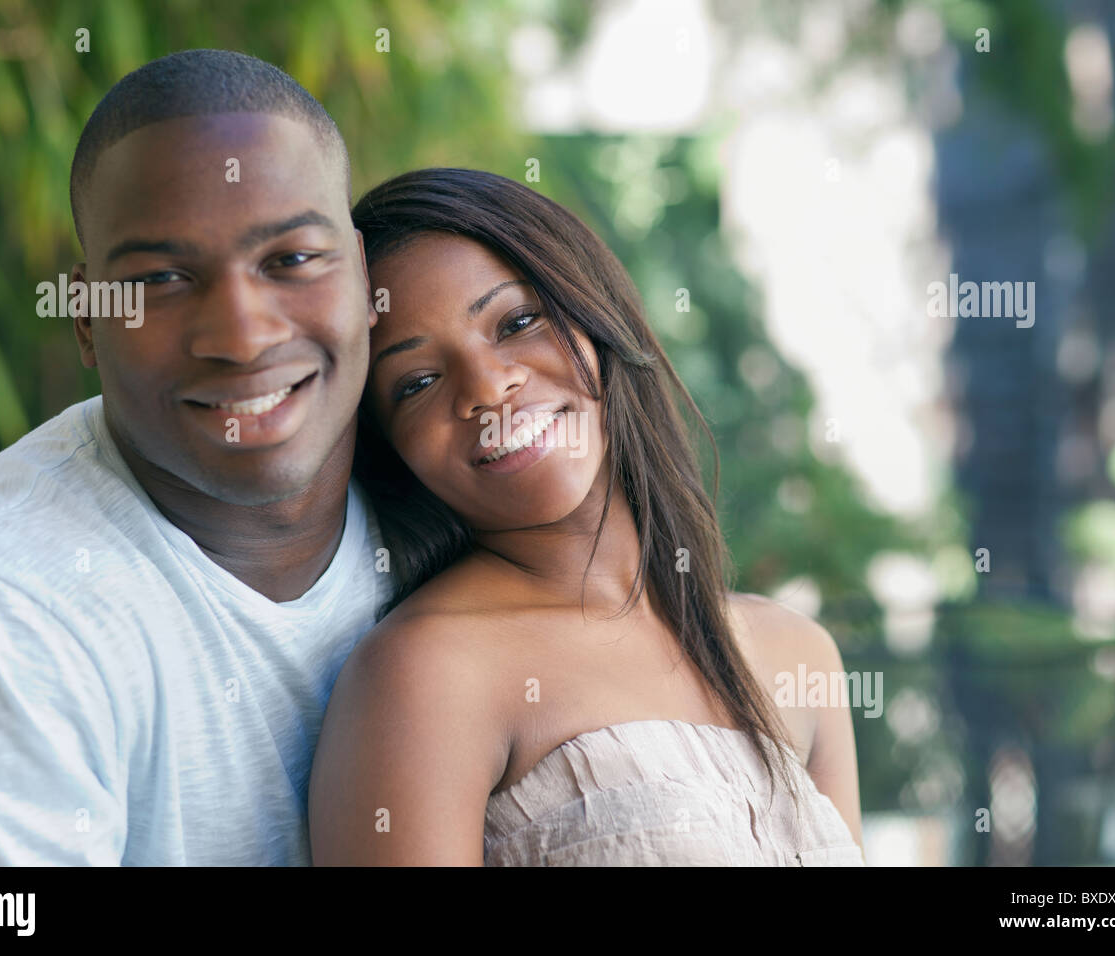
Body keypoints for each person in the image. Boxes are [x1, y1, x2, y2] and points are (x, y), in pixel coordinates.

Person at [0, 50, 391, 865]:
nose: (243, 337)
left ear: (364, 278)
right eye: (161, 279)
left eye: (291, 260)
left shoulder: (446, 471)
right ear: (86, 320)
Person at [309, 168, 866, 866]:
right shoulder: (425, 673)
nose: (489, 387)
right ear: (392, 450)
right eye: (418, 382)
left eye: (517, 322)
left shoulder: (797, 653)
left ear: (594, 311)